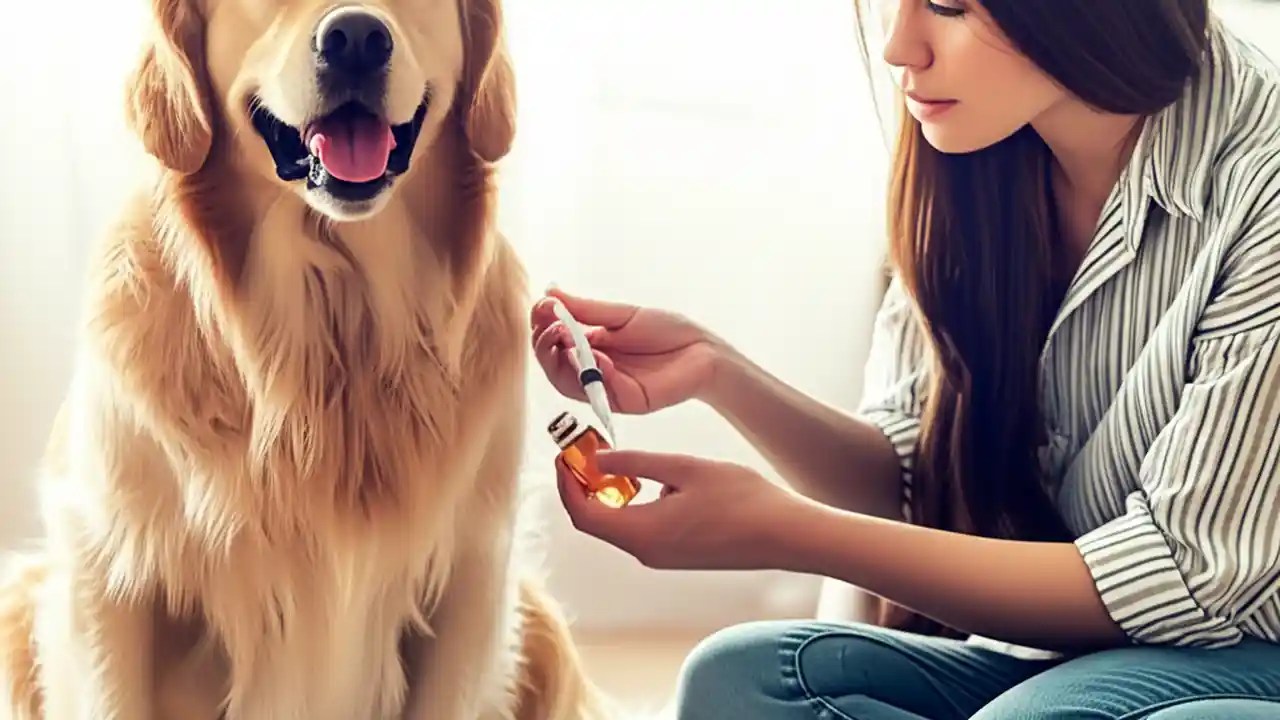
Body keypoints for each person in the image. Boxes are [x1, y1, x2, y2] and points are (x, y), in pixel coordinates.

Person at [531, 1, 1280, 718]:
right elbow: (914, 482)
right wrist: (714, 370)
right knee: (743, 682)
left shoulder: (1259, 180)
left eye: (949, 6)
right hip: (1070, 656)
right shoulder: (979, 145)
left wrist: (787, 532)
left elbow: (1184, 582)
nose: (899, 47)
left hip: (1242, 650)